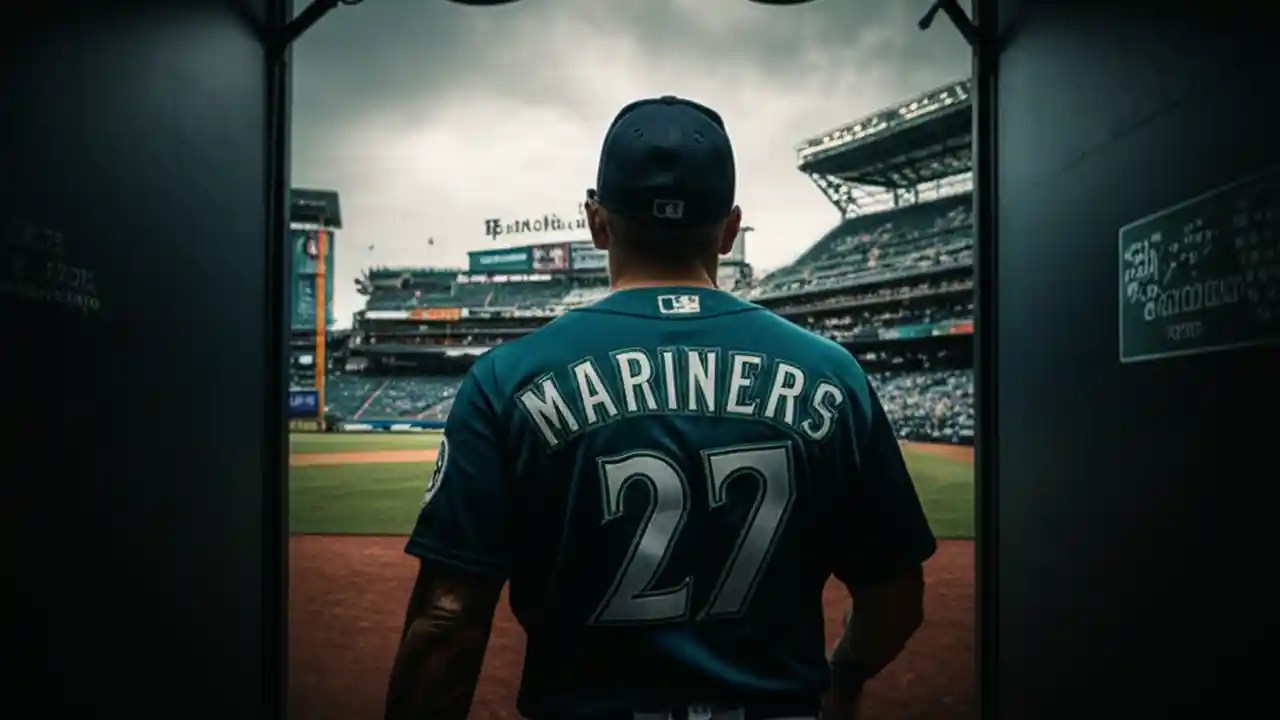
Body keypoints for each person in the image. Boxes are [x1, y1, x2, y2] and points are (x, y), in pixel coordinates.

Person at [384, 95, 936, 720]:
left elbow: (447, 620)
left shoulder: (505, 379)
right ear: (730, 230)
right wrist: (844, 676)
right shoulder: (832, 375)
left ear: (597, 221)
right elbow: (896, 601)